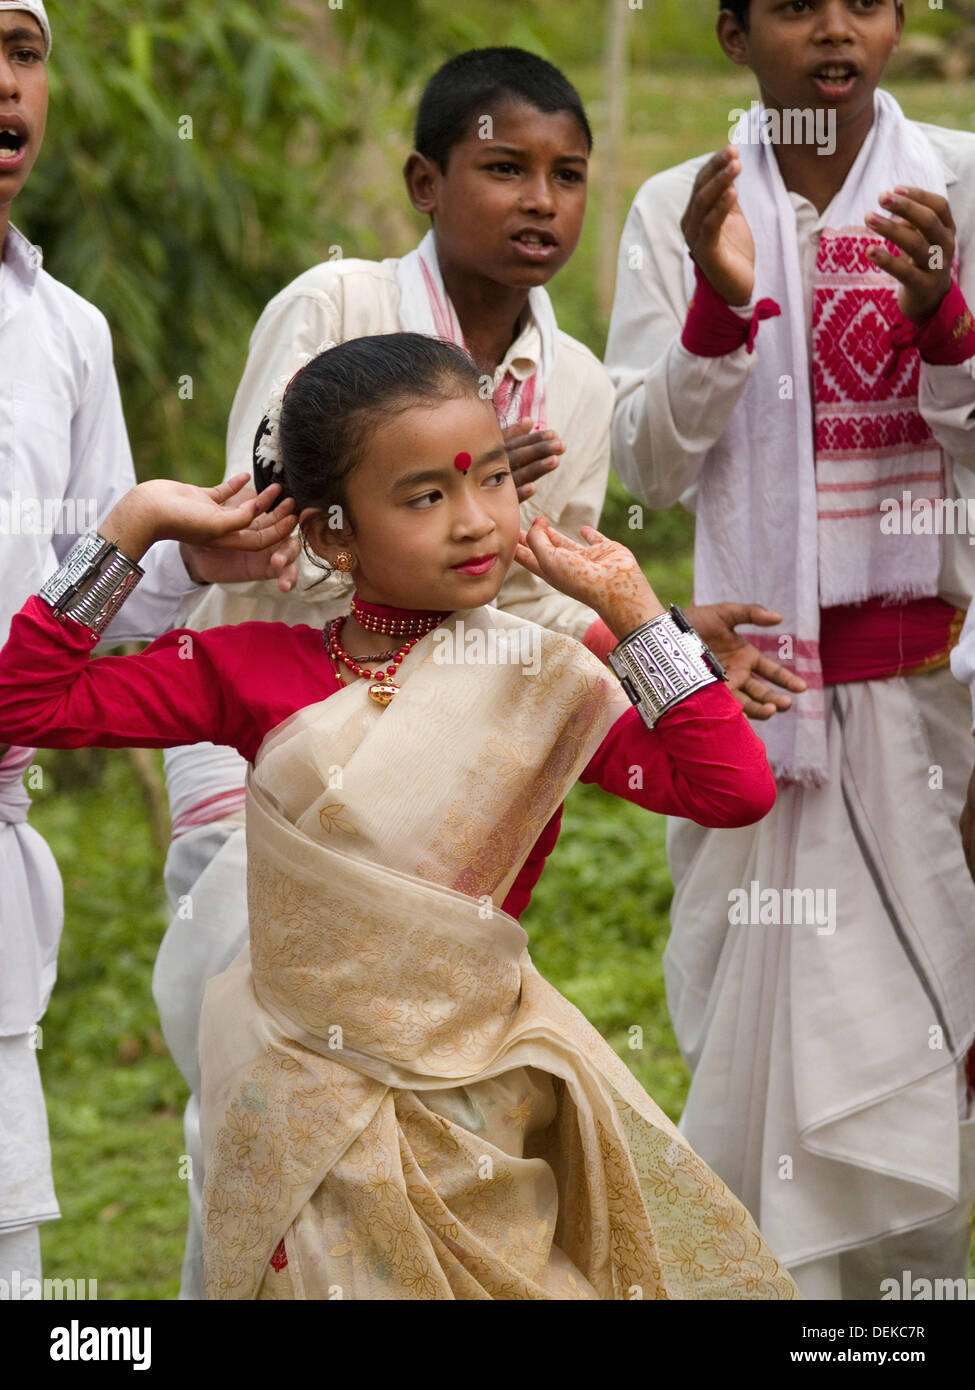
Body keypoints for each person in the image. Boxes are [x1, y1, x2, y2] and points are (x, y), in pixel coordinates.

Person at [154, 45, 803, 1297]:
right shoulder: (334, 305)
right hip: (276, 773)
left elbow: (526, 605)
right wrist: (448, 480)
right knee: (254, 1136)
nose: (540, 202)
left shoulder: (571, 383)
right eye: (504, 168)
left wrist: (642, 626)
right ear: (424, 179)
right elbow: (272, 540)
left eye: (567, 176)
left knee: (430, 1128)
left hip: (453, 807)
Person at [0, 332, 798, 1300]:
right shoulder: (252, 667)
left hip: (482, 1108)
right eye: (426, 496)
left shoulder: (546, 680)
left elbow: (734, 789)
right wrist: (130, 525)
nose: (477, 521)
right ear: (335, 535)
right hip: (306, 1107)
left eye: (495, 479)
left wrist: (639, 619)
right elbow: (24, 705)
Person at [605, 0, 975, 1298]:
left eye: (863, 2)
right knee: (753, 1082)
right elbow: (641, 464)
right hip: (753, 704)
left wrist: (944, 325)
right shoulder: (674, 206)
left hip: (923, 711)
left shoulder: (959, 182)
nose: (833, 30)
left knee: (913, 1075)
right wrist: (714, 309)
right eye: (793, 5)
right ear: (728, 31)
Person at [0, 0, 297, 1293]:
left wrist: (182, 557)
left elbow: (97, 613)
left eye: (21, 49)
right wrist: (124, 535)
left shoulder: (64, 332)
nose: (6, 83)